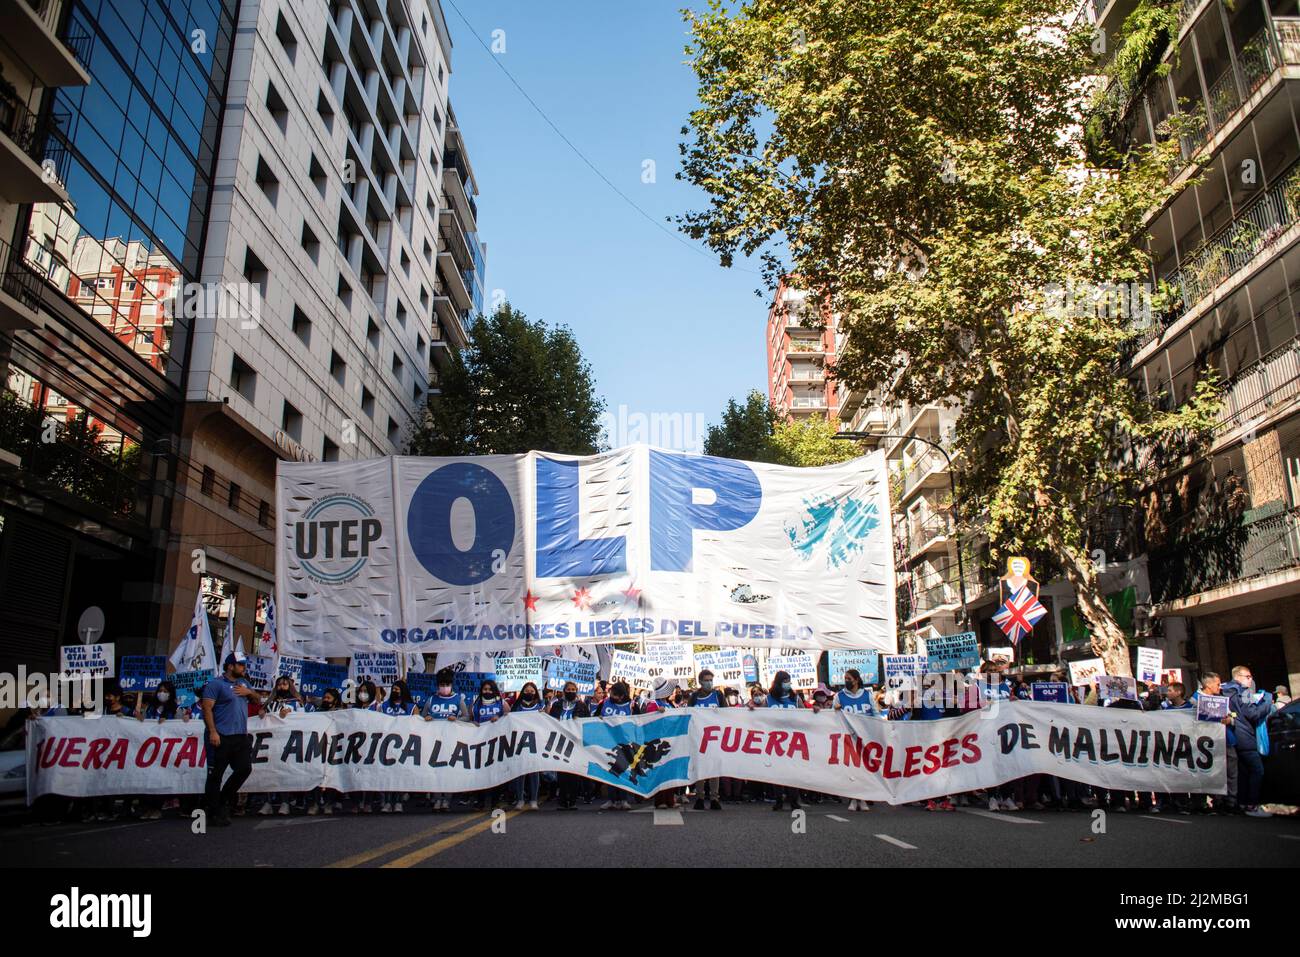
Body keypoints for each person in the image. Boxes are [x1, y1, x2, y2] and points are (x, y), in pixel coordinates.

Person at [199, 652, 262, 827]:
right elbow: (207, 709)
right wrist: (212, 731)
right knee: (215, 775)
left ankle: (222, 801)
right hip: (221, 736)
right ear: (230, 666)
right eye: (240, 665)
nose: (244, 668)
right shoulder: (215, 684)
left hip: (240, 736)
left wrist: (248, 691)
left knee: (244, 769)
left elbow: (258, 700)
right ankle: (213, 811)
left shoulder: (244, 683)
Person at [1221, 665, 1274, 818]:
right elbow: (1253, 713)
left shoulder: (1224, 690)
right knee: (1257, 770)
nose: (1251, 679)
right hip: (1245, 738)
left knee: (1243, 773)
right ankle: (1252, 805)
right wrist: (1267, 701)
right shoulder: (1243, 691)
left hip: (1232, 736)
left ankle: (1242, 803)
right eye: (1248, 676)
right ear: (1238, 677)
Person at [421, 670, 464, 812]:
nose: (444, 687)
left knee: (448, 770)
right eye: (441, 684)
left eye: (446, 684)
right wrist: (426, 718)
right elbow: (421, 717)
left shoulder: (458, 700)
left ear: (451, 685)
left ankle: (447, 799)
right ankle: (437, 798)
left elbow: (467, 717)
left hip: (451, 740)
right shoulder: (431, 700)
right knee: (435, 770)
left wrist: (457, 719)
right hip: (434, 740)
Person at [686, 669, 728, 810]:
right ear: (701, 682)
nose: (709, 682)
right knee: (700, 767)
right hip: (699, 737)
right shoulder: (694, 697)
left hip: (715, 737)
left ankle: (714, 798)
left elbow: (727, 713)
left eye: (711, 679)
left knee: (714, 768)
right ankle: (700, 797)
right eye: (707, 680)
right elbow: (688, 714)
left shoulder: (718, 695)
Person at [761, 671, 802, 811]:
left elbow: (805, 715)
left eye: (789, 680)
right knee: (778, 772)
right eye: (785, 680)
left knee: (793, 772)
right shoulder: (768, 699)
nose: (788, 683)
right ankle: (778, 799)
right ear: (778, 682)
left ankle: (794, 800)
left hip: (793, 740)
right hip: (775, 741)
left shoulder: (795, 698)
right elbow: (759, 716)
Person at [594, 681, 638, 810]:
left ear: (621, 696)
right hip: (608, 742)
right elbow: (594, 717)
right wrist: (599, 718)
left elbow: (640, 720)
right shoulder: (605, 703)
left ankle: (623, 799)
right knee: (610, 770)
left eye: (614, 694)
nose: (611, 696)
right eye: (611, 693)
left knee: (623, 770)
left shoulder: (631, 705)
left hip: (625, 743)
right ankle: (611, 799)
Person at [548, 681, 589, 810]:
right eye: (568, 689)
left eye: (573, 689)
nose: (571, 691)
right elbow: (550, 721)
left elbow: (587, 722)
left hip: (575, 743)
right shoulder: (557, 705)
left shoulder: (582, 706)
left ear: (576, 691)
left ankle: (572, 800)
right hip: (560, 742)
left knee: (574, 772)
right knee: (562, 772)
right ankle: (562, 800)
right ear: (564, 691)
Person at [379, 680, 418, 813]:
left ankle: (399, 801)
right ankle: (388, 801)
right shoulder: (384, 706)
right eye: (393, 689)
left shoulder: (412, 707)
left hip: (404, 746)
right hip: (387, 745)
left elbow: (417, 725)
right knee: (387, 774)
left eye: (397, 689)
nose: (395, 691)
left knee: (400, 775)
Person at [510, 681, 544, 810]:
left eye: (531, 691)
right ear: (522, 692)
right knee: (520, 772)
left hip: (535, 741)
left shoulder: (540, 705)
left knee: (534, 772)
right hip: (520, 742)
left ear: (535, 692)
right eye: (526, 691)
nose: (529, 693)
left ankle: (534, 800)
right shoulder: (517, 706)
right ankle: (520, 799)